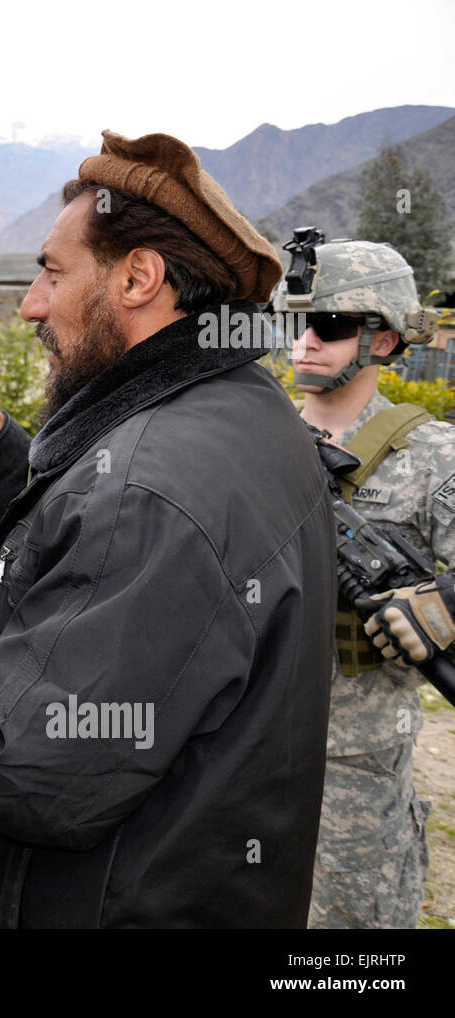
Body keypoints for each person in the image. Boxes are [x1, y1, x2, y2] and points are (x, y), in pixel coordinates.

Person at [0, 131, 336, 928]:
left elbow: (20, 768)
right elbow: (94, 561)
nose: (31, 303)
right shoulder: (244, 411)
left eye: (54, 273)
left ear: (137, 278)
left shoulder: (152, 491)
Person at [271, 234, 453, 928]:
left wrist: (442, 605)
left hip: (356, 763)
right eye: (300, 323)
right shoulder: (257, 442)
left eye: (332, 325)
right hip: (249, 748)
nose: (307, 342)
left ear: (383, 341)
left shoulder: (432, 456)